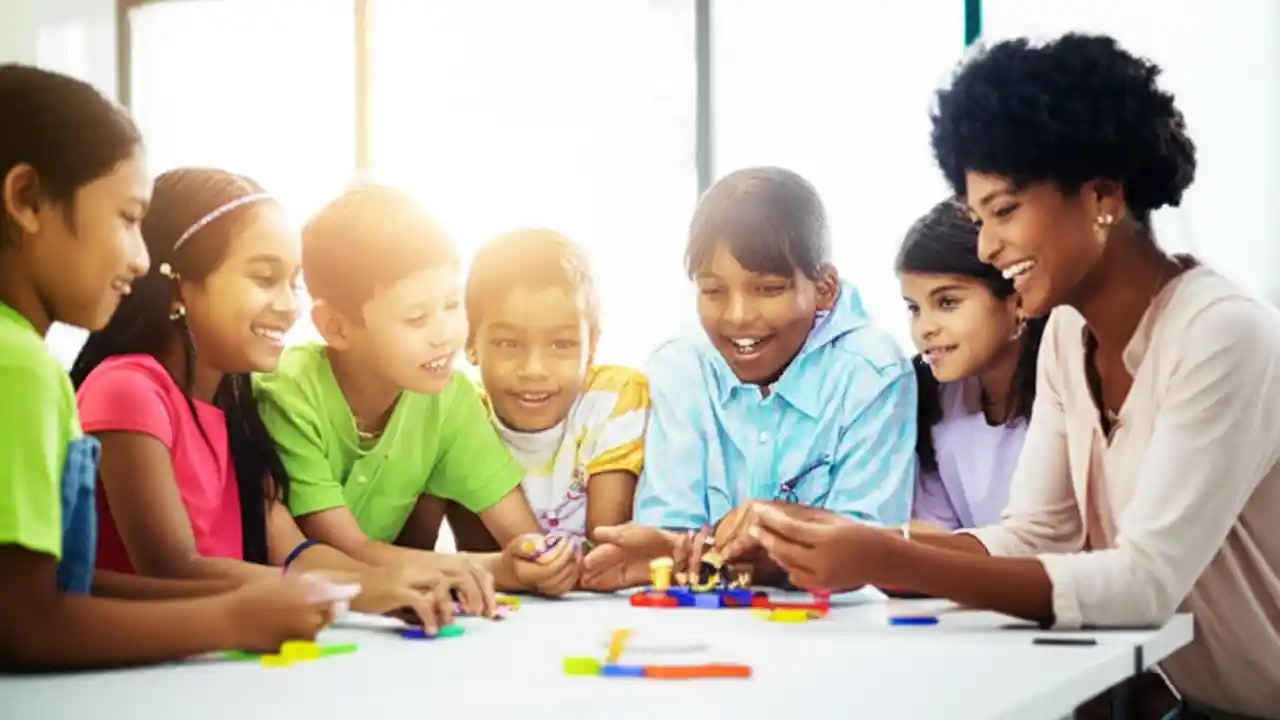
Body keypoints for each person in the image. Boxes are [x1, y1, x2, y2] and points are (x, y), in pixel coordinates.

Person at [747, 34, 1280, 719]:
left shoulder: (1221, 333)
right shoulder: (1067, 334)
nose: (987, 247)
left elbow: (1144, 584)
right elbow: (1035, 536)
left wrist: (887, 560)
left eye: (1004, 211)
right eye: (978, 219)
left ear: (1102, 195)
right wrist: (842, 544)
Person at [0, 64, 334, 669]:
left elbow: (55, 586)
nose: (141, 257)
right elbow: (24, 624)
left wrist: (268, 596)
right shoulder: (17, 365)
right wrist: (231, 618)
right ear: (26, 201)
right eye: (128, 219)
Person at [71, 168, 463, 632]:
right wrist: (355, 592)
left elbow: (295, 553)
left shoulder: (237, 406)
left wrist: (400, 577)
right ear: (178, 287)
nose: (289, 305)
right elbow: (172, 565)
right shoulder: (128, 388)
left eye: (293, 281)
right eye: (264, 278)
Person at [255, 185, 578, 597]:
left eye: (451, 305)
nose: (445, 334)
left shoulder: (449, 397)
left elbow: (522, 533)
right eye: (416, 317)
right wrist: (500, 569)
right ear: (337, 327)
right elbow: (346, 550)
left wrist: (541, 560)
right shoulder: (288, 393)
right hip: (287, 608)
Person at [632, 166, 916, 556]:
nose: (737, 316)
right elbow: (666, 534)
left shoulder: (873, 372)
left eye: (767, 289)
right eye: (713, 290)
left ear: (824, 289)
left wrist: (754, 532)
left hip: (835, 616)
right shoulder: (679, 366)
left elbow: (870, 543)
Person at [424, 229, 647, 554]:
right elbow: (416, 551)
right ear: (470, 341)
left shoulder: (613, 398)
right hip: (494, 598)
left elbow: (605, 546)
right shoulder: (453, 411)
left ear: (592, 346)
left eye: (561, 344)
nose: (534, 370)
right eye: (508, 343)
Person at [898, 198, 1044, 531]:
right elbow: (937, 534)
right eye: (914, 308)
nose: (924, 328)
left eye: (947, 302)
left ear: (1017, 300)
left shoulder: (1063, 396)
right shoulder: (935, 399)